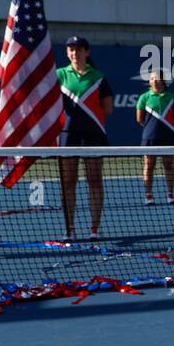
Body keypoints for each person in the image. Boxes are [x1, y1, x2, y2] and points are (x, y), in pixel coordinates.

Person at [55, 35, 113, 241]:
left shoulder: (98, 77)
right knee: (68, 182)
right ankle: (69, 228)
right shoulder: (59, 75)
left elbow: (108, 108)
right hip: (67, 136)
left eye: (78, 49)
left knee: (94, 181)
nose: (74, 53)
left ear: (87, 52)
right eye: (71, 49)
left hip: (93, 136)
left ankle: (94, 230)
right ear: (67, 53)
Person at [135, 69, 174, 205]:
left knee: (168, 165)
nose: (155, 81)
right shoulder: (144, 97)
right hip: (149, 137)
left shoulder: (171, 98)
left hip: (168, 137)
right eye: (152, 79)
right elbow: (140, 119)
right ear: (149, 82)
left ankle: (170, 194)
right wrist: (151, 129)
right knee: (149, 165)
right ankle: (148, 195)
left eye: (157, 78)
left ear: (163, 81)